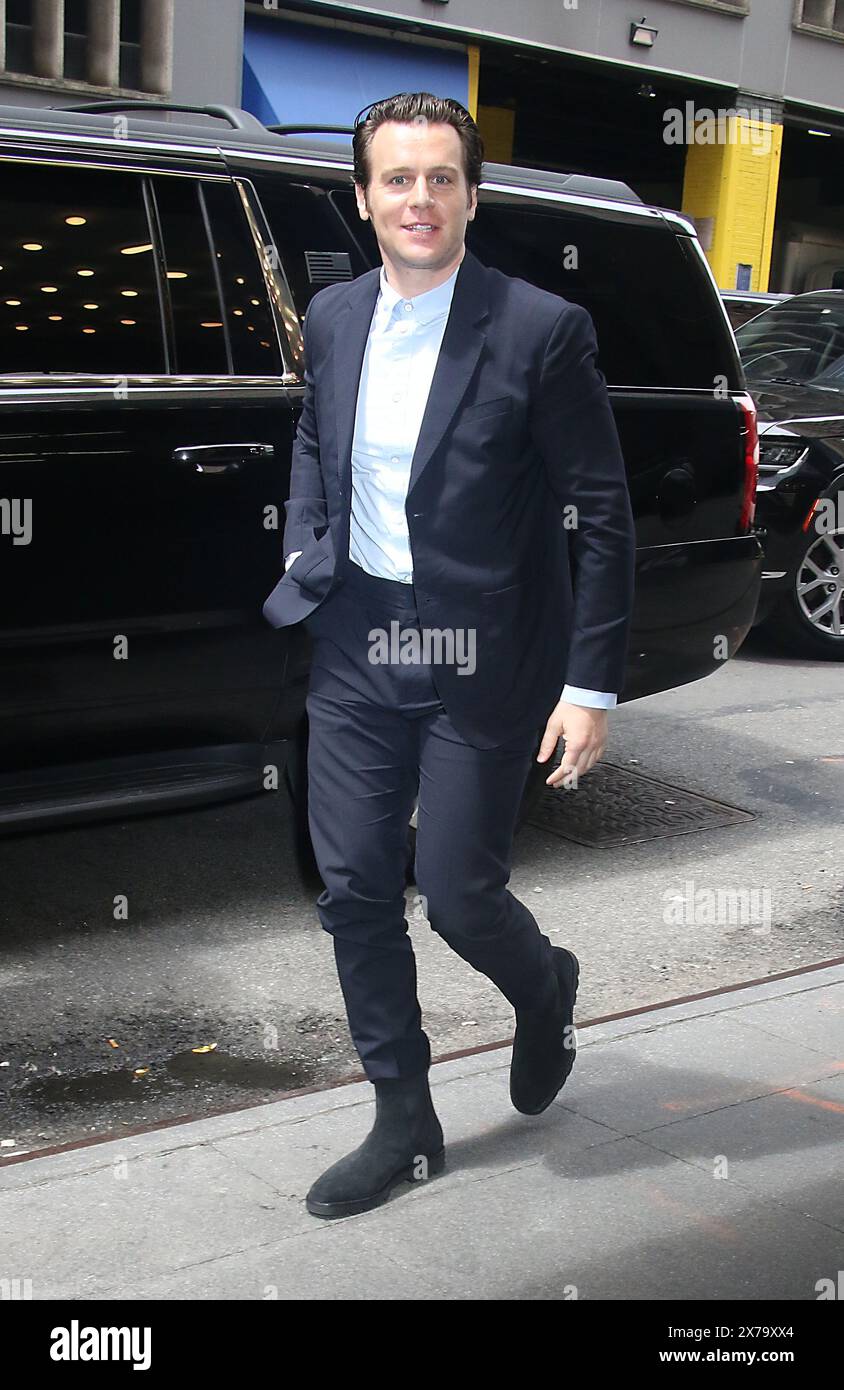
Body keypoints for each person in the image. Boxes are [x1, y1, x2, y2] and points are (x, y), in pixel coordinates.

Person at [263, 91, 636, 1220]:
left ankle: (545, 983)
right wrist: (306, 545)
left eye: (438, 178)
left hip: (484, 652)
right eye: (395, 179)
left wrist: (588, 686)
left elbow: (603, 515)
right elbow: (316, 437)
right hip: (359, 639)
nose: (416, 198)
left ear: (470, 195)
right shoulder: (332, 316)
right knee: (354, 889)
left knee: (462, 895)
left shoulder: (537, 327)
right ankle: (404, 1119)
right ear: (364, 196)